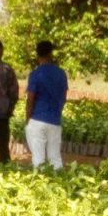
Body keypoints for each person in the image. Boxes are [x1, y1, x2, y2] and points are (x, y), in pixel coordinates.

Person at [25, 40, 68, 169]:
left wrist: (28, 119)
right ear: (51, 53)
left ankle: (40, 181)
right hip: (54, 120)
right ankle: (59, 180)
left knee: (38, 159)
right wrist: (57, 112)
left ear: (37, 54)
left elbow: (30, 99)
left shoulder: (35, 74)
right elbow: (64, 97)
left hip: (37, 119)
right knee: (55, 158)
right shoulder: (61, 74)